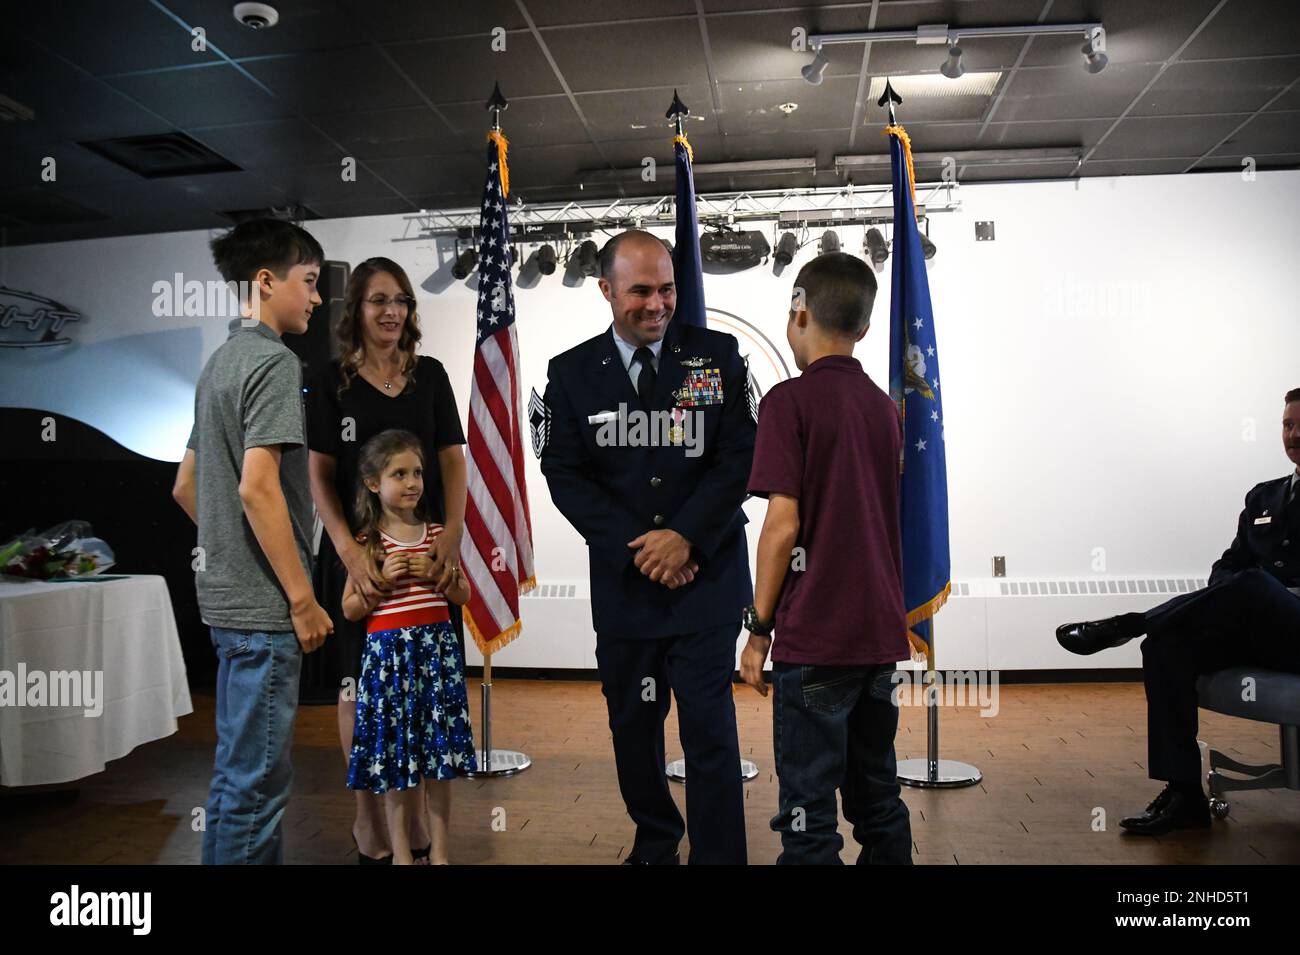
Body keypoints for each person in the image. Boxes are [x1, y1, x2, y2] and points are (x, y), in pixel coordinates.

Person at [537, 230, 755, 864]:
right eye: (640, 291)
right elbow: (565, 475)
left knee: (710, 732)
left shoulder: (717, 355)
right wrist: (643, 549)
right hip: (628, 588)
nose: (657, 304)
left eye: (666, 289)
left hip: (706, 582)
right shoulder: (571, 373)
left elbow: (739, 456)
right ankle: (656, 843)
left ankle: (719, 857)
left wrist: (685, 537)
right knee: (634, 731)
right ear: (605, 291)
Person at [1057, 387, 1300, 835]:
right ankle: (1185, 794)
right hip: (1262, 629)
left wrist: (1253, 588)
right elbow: (1227, 565)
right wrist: (1239, 591)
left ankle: (1126, 624)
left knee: (1252, 582)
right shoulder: (1264, 497)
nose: (1293, 434)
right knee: (1166, 645)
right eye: (1287, 424)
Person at [738, 252, 913, 865]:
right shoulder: (885, 410)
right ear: (864, 329)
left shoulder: (788, 402)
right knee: (878, 797)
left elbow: (781, 527)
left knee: (809, 816)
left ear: (798, 313)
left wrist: (758, 631)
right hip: (877, 637)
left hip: (815, 641)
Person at [171, 218, 333, 865]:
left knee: (239, 779)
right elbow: (256, 487)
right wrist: (301, 597)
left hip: (225, 605)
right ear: (266, 282)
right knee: (257, 785)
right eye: (310, 282)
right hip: (265, 615)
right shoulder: (273, 361)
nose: (317, 298)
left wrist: (231, 554)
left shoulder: (219, 364)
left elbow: (187, 486)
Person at [306, 256, 468, 864]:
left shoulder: (432, 375)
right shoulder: (330, 382)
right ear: (357, 311)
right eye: (378, 300)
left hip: (427, 552)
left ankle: (418, 821)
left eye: (400, 299)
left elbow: (453, 457)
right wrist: (349, 553)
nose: (392, 310)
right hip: (359, 555)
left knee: (425, 686)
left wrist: (451, 533)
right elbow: (319, 472)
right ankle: (369, 818)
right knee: (362, 689)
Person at [341, 429, 476, 865]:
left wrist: (441, 574)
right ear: (374, 483)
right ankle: (400, 852)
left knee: (439, 758)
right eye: (399, 473)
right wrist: (381, 581)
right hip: (389, 662)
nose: (413, 481)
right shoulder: (367, 544)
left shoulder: (438, 535)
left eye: (417, 472)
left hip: (436, 657)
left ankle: (439, 852)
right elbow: (349, 609)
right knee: (396, 760)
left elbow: (463, 596)